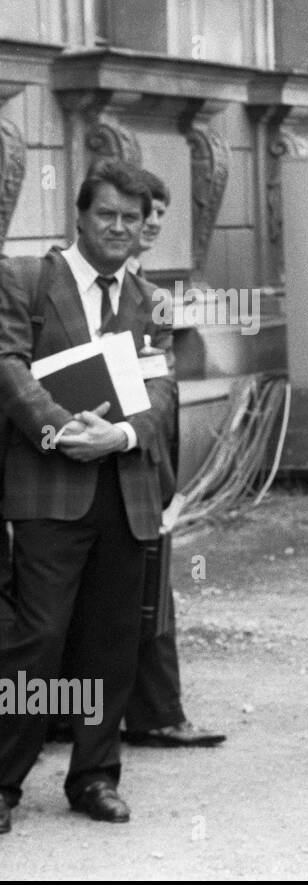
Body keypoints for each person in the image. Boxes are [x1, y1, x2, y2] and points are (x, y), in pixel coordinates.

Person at [0, 160, 177, 833]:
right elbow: (7, 366)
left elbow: (162, 390)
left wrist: (124, 436)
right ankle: (4, 779)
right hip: (50, 488)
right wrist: (61, 430)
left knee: (111, 639)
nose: (120, 228)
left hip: (125, 490)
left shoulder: (151, 300)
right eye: (107, 214)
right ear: (80, 215)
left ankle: (95, 774)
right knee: (38, 638)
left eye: (132, 219)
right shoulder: (25, 279)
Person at [121, 169, 225, 749]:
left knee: (151, 588)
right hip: (112, 458)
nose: (150, 225)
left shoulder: (151, 296)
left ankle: (155, 711)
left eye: (158, 215)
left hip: (151, 461)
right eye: (143, 213)